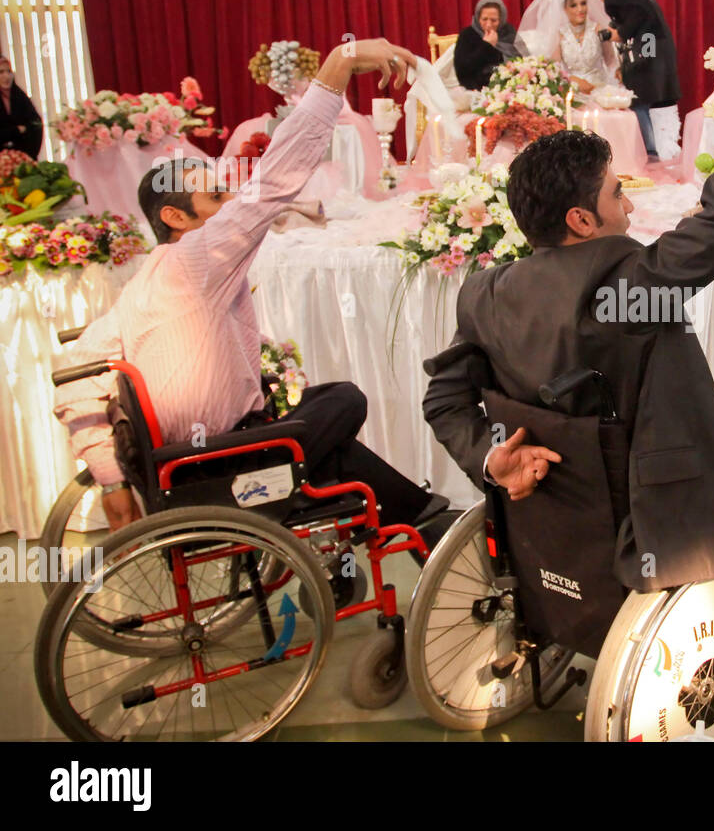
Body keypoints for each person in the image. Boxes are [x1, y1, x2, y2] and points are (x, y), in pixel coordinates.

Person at [423, 0, 714, 591]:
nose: (628, 210)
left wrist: (493, 456)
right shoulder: (627, 289)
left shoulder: (483, 293)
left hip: (558, 522)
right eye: (617, 193)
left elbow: (443, 400)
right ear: (580, 219)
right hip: (653, 518)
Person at [54, 38, 447, 545]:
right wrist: (341, 62)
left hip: (181, 463)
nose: (231, 205)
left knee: (329, 417)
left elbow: (73, 379)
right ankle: (418, 526)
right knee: (346, 400)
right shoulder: (198, 256)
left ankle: (423, 523)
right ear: (176, 218)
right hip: (216, 466)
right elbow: (276, 179)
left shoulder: (147, 278)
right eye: (216, 196)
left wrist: (112, 481)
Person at [594, 0, 680, 159]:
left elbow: (635, 29)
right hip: (656, 49)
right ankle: (657, 149)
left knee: (639, 100)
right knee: (647, 100)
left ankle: (650, 151)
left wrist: (615, 34)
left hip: (652, 49)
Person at [518, 0, 617, 93]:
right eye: (573, 5)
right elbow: (555, 68)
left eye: (583, 3)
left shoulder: (598, 29)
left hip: (599, 89)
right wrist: (571, 80)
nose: (580, 9)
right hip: (574, 90)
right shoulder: (560, 34)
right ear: (565, 9)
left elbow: (611, 62)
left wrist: (612, 87)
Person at [454, 0, 527, 91]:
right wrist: (487, 46)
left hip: (511, 86)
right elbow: (462, 70)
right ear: (477, 18)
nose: (488, 25)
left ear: (501, 20)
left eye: (494, 20)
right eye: (484, 19)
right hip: (477, 88)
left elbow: (522, 60)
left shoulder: (508, 32)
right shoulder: (467, 35)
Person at [0, 56, 44, 159]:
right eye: (1, 72)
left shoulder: (20, 96)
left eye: (9, 71)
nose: (6, 76)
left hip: (23, 157)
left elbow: (35, 125)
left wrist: (28, 156)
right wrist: (16, 130)